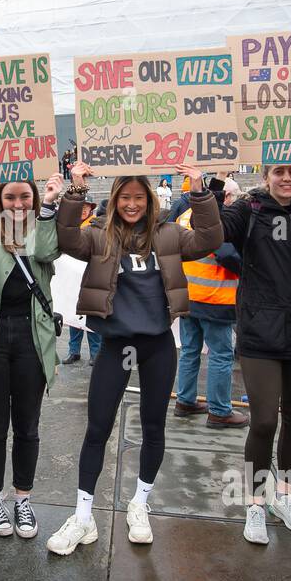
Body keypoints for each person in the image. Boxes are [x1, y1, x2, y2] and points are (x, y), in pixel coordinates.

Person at [46, 161, 222, 556]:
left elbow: (211, 237)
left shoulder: (170, 234)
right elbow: (67, 237)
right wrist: (75, 191)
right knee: (97, 428)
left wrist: (199, 188)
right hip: (116, 346)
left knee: (153, 425)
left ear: (150, 200)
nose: (131, 204)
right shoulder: (100, 234)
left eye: (138, 197)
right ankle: (83, 515)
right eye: (124, 197)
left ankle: (140, 503)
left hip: (157, 345)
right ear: (114, 199)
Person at [208, 165, 291, 545]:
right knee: (264, 421)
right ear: (267, 176)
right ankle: (254, 502)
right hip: (261, 332)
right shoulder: (250, 209)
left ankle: (284, 494)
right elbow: (214, 231)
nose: (287, 179)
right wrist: (211, 184)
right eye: (279, 172)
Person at [0, 174, 63, 540]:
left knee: (27, 425)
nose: (18, 205)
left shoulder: (43, 227)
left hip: (32, 334)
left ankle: (23, 498)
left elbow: (48, 253)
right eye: (10, 198)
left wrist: (50, 204)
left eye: (25, 197)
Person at [173, 174, 247, 426]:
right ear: (225, 197)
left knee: (190, 351)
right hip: (214, 297)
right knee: (221, 354)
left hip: (188, 295)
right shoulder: (214, 222)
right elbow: (230, 257)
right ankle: (219, 409)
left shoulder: (185, 216)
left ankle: (185, 399)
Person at [62, 201, 103, 366]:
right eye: (81, 208)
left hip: (89, 276)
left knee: (91, 317)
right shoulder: (72, 226)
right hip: (72, 278)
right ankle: (74, 351)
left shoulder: (94, 226)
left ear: (91, 210)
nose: (82, 211)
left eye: (85, 208)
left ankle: (95, 352)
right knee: (73, 317)